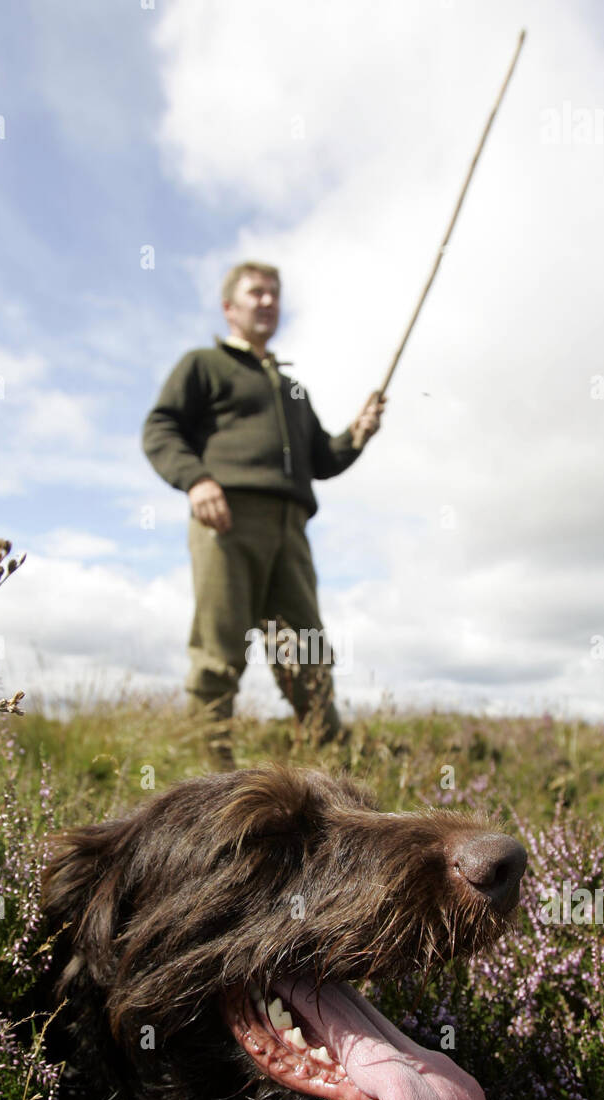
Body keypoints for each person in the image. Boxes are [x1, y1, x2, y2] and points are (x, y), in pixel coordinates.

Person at [142, 261, 385, 764]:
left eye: (275, 293)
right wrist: (197, 479)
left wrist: (357, 434)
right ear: (229, 307)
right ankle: (211, 778)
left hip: (290, 528)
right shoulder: (203, 365)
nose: (269, 302)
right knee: (219, 651)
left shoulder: (294, 389)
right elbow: (160, 429)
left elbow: (322, 459)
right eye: (257, 293)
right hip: (226, 518)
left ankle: (332, 764)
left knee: (306, 649)